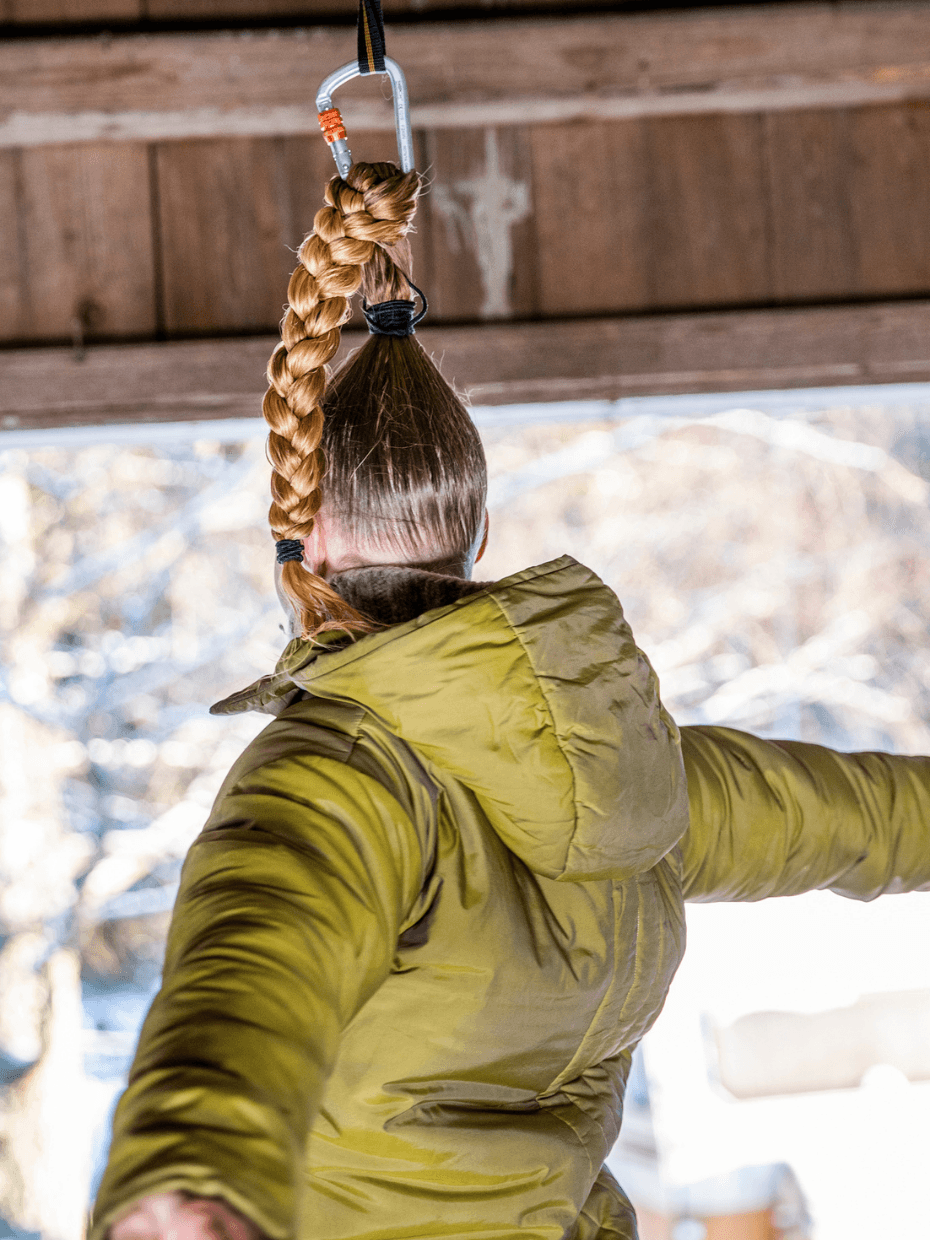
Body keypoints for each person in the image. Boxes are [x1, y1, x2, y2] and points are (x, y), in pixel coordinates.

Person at [90, 161, 930, 1240]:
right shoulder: (631, 765)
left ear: (308, 541)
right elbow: (854, 814)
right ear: (479, 540)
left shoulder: (343, 775)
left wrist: (193, 1175)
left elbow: (255, 963)